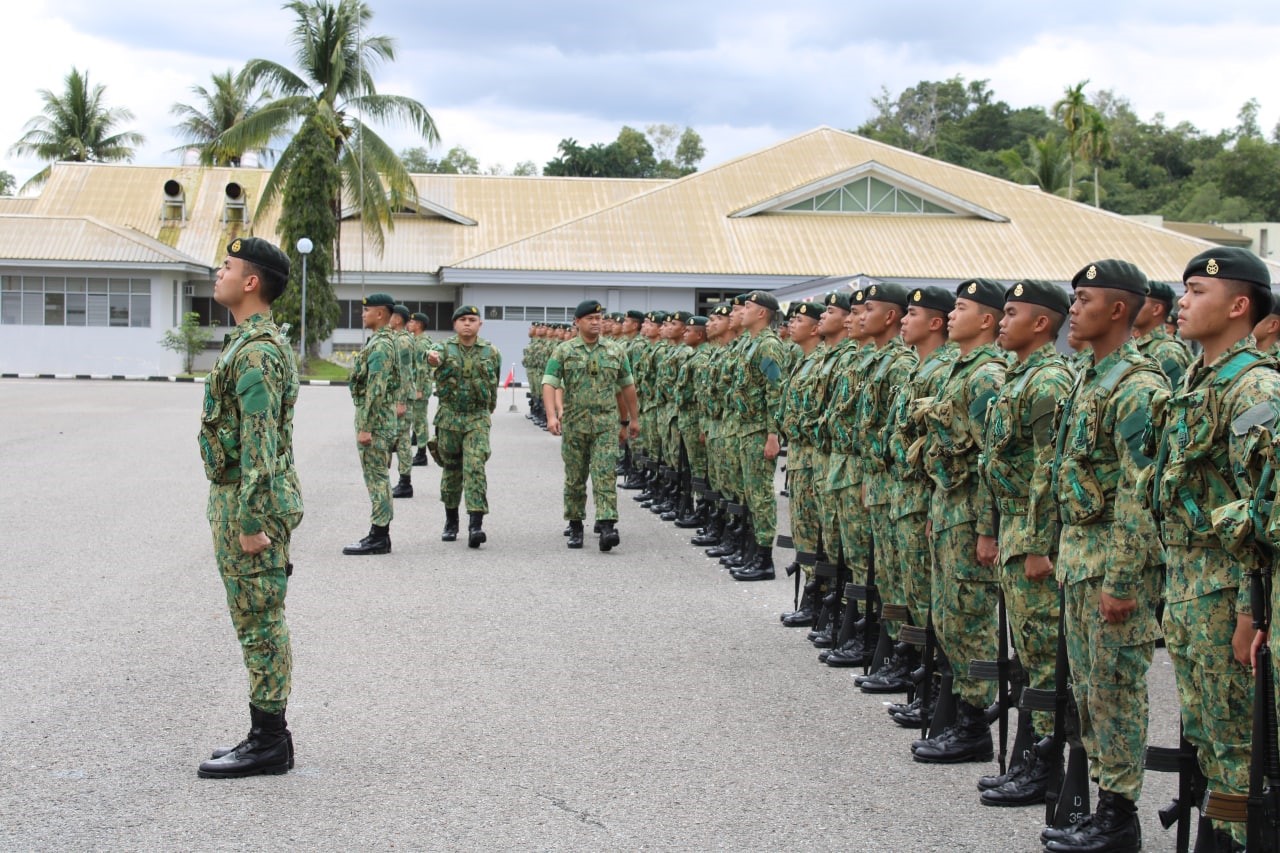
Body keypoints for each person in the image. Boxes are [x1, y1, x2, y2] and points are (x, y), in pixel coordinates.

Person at [1150, 247, 1280, 852]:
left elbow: (1267, 510)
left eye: (1197, 291)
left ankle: (1234, 839)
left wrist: (1254, 615)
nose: (1183, 301)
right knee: (1207, 734)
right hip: (1190, 587)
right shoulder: (1196, 381)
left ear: (1239, 304)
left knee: (1238, 745)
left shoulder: (1254, 387)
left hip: (1230, 595)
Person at [1042, 260, 1167, 853]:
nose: (1073, 308)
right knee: (1091, 691)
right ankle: (1100, 801)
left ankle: (1120, 817)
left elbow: (1140, 497)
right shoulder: (1088, 377)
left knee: (1115, 690)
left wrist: (1122, 581)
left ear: (1118, 310)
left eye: (1084, 298)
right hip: (1079, 560)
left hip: (1111, 570)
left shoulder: (1138, 387)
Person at [196, 237, 303, 779]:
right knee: (253, 619)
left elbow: (260, 445)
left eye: (228, 266)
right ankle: (267, 735)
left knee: (261, 623)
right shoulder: (248, 343)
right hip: (239, 498)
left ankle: (269, 742)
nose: (219, 273)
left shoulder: (257, 351)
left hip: (250, 503)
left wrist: (252, 523)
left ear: (252, 282)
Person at [976, 280, 1075, 806]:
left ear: (1041, 323)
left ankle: (1044, 762)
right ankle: (1031, 757)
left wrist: (1038, 544)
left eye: (1011, 313)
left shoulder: (1049, 383)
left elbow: (1047, 471)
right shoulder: (1019, 377)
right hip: (1013, 528)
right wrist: (991, 528)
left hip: (1033, 535)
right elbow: (996, 462)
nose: (1001, 321)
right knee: (1029, 651)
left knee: (1042, 657)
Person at [542, 300, 640, 550]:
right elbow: (550, 383)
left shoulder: (615, 351)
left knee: (605, 473)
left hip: (605, 423)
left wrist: (631, 419)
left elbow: (626, 387)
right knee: (575, 477)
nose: (596, 322)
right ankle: (575, 524)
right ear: (577, 322)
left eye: (599, 318)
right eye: (590, 319)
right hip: (575, 423)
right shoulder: (564, 351)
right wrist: (552, 415)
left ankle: (607, 525)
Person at [427, 305, 502, 547]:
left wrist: (486, 412)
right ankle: (451, 520)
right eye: (462, 320)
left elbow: (493, 386)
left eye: (472, 319)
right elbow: (430, 355)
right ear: (455, 325)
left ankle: (476, 525)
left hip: (477, 418)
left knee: (475, 467)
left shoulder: (491, 352)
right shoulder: (444, 348)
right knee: (452, 470)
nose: (467, 323)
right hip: (449, 418)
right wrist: (431, 358)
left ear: (480, 323)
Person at [342, 292, 402, 556]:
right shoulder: (380, 341)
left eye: (367, 311)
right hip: (377, 420)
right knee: (378, 477)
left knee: (377, 479)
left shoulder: (380, 346)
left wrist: (365, 427)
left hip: (375, 423)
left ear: (380, 314)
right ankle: (380, 535)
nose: (363, 315)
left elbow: (375, 389)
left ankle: (379, 536)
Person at [389, 304, 417, 498]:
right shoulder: (397, 339)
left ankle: (405, 483)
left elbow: (405, 372)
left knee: (402, 441)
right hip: (399, 397)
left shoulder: (403, 341)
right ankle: (402, 480)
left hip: (402, 398)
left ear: (398, 319)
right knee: (399, 439)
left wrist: (401, 401)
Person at [408, 311, 435, 466]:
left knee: (420, 421)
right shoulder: (418, 340)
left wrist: (418, 389)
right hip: (419, 386)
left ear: (418, 325)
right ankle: (417, 443)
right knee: (417, 419)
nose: (409, 324)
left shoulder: (420, 343)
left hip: (420, 388)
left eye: (412, 322)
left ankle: (421, 454)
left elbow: (421, 368)